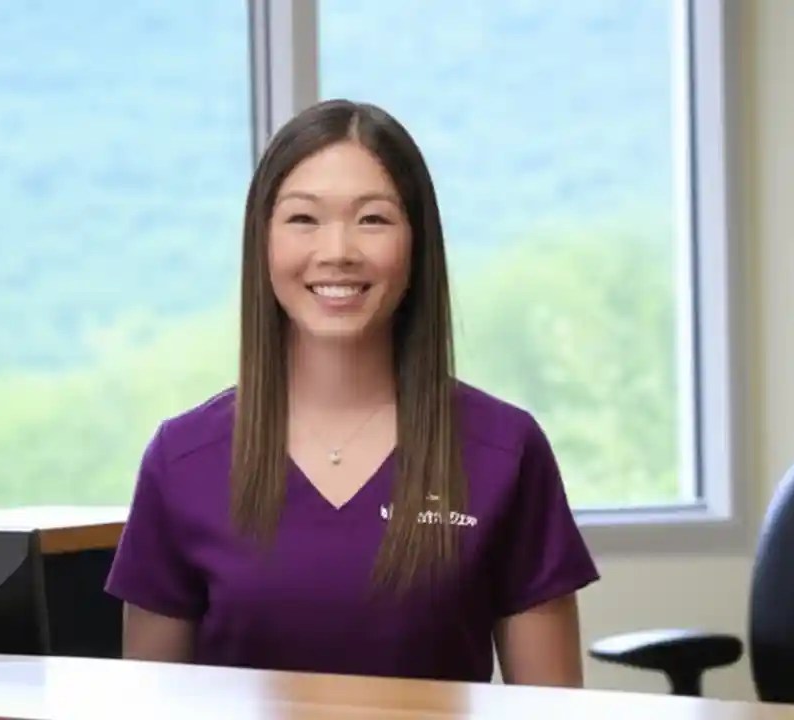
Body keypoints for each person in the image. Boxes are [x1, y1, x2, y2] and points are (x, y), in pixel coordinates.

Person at [103, 99, 600, 686]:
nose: (337, 251)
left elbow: (551, 709)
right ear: (262, 242)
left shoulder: (505, 451)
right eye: (303, 219)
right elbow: (149, 707)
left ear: (417, 243)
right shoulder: (182, 460)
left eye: (373, 219)